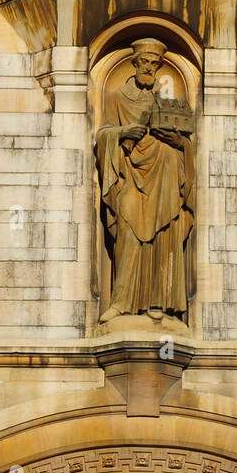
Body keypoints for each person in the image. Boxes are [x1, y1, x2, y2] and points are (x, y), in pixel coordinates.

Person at [95, 38, 194, 323]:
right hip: (130, 177)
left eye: (154, 64)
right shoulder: (117, 97)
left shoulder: (164, 102)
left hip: (166, 176)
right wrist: (124, 132)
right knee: (127, 232)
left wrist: (177, 141)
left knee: (165, 235)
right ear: (135, 64)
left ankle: (158, 301)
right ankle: (121, 302)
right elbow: (102, 134)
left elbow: (186, 144)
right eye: (144, 63)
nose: (149, 68)